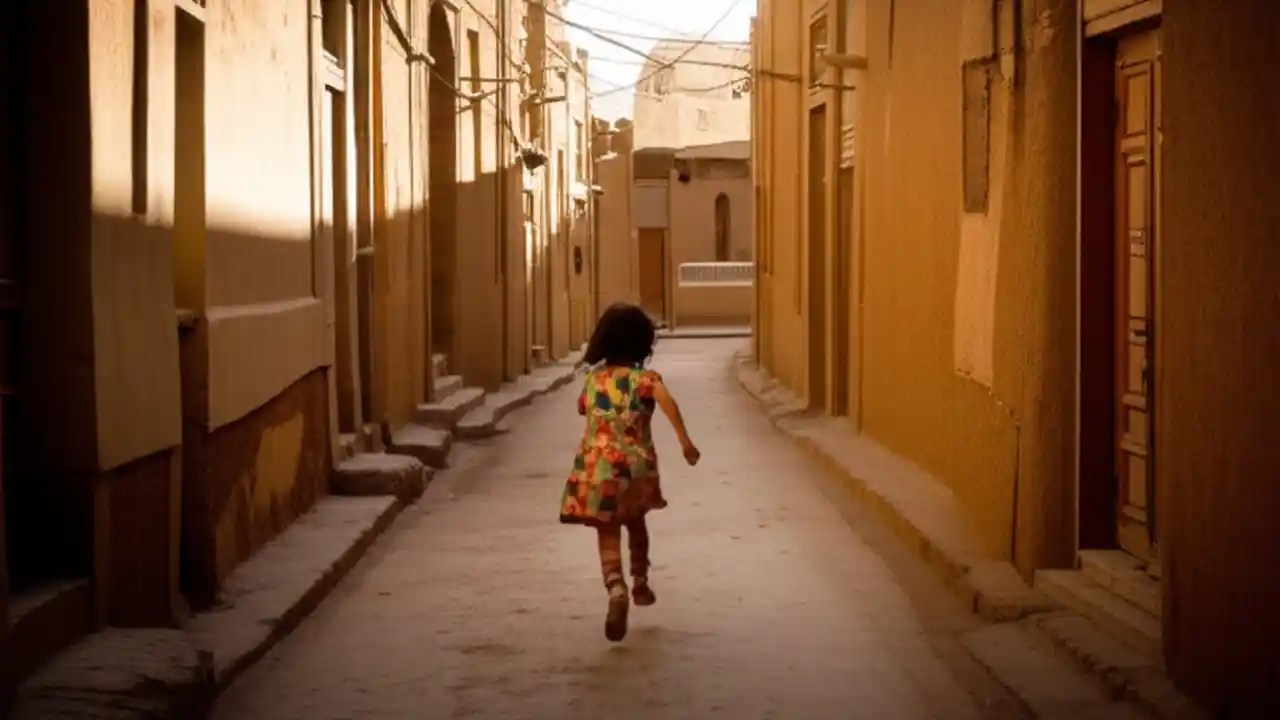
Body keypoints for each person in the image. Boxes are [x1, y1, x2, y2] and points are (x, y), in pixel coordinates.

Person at [559, 303, 700, 642]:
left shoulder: (593, 381)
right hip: (635, 468)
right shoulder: (646, 380)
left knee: (606, 529)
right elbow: (668, 403)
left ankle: (615, 587)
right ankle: (640, 581)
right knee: (636, 521)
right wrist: (686, 442)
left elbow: (583, 409)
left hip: (596, 467)